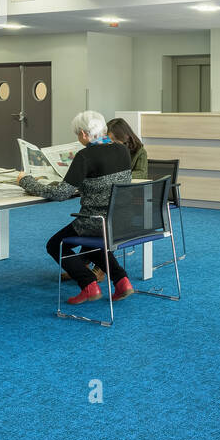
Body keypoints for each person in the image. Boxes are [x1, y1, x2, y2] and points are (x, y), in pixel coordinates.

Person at [17, 111, 134, 305]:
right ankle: (122, 282)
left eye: (78, 135)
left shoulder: (85, 155)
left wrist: (26, 181)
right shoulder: (122, 150)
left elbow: (61, 194)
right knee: (90, 248)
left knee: (55, 245)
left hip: (95, 221)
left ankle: (88, 285)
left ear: (84, 134)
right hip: (119, 219)